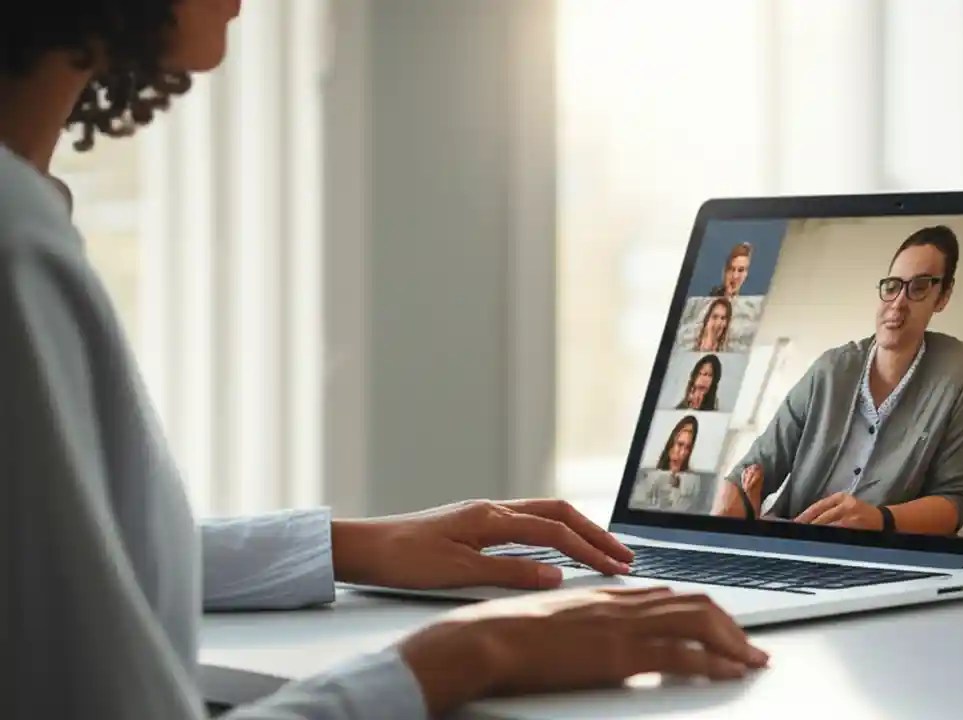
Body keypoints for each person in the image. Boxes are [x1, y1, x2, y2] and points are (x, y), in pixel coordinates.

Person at [0, 3, 768, 719]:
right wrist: (470, 655)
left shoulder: (26, 220)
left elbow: (57, 574)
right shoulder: (15, 253)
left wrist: (348, 546)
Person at [710, 225, 963, 536]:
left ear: (943, 296)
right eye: (892, 286)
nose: (898, 303)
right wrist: (730, 509)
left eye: (919, 286)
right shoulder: (829, 369)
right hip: (788, 544)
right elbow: (755, 467)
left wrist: (879, 520)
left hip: (877, 560)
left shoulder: (961, 370)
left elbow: (955, 499)